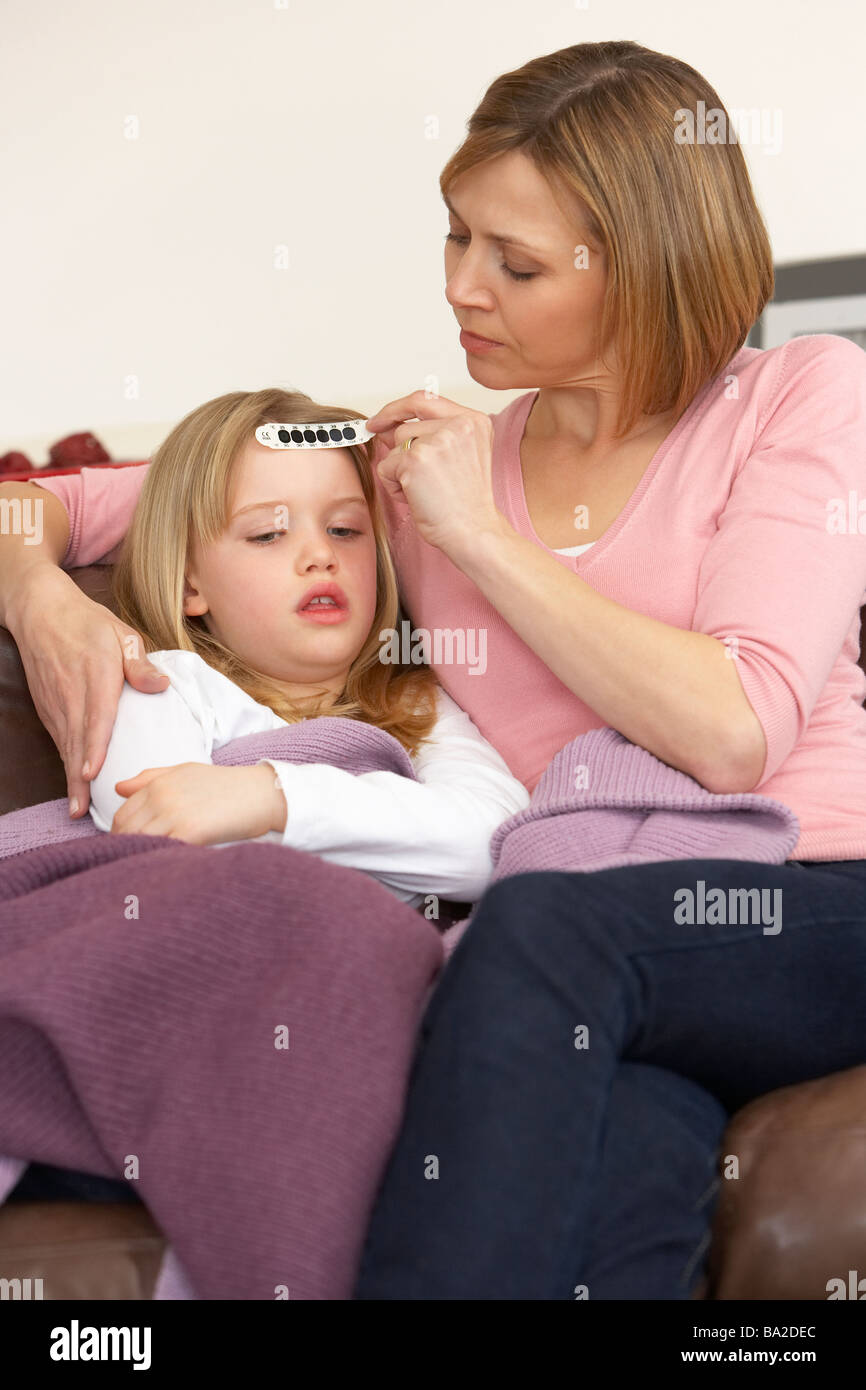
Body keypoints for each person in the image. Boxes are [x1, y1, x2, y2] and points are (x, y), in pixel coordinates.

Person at [2, 39, 866, 1297]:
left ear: (644, 270)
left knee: (542, 929)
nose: (463, 287)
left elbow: (734, 726)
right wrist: (41, 602)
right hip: (604, 951)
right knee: (624, 1161)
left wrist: (473, 532)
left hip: (803, 890)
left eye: (513, 263)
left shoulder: (798, 394)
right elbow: (56, 506)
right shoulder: (391, 460)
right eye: (455, 237)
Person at [74, 384, 528, 905]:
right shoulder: (159, 686)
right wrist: (403, 844)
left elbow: (488, 850)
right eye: (268, 534)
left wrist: (271, 798)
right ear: (188, 586)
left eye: (344, 529)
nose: (319, 554)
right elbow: (173, 859)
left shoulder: (417, 704)